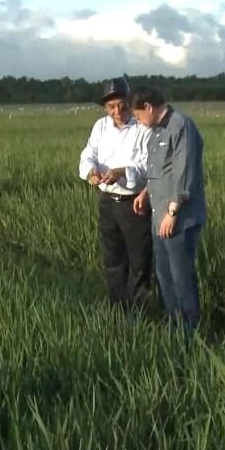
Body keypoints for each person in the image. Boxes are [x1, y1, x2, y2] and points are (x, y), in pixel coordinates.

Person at [128, 86, 207, 340]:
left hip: (179, 219)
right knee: (163, 275)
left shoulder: (180, 126)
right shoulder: (155, 133)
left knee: (180, 276)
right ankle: (172, 326)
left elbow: (185, 173)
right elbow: (159, 172)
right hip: (158, 218)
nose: (139, 122)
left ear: (149, 107)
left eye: (138, 116)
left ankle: (190, 334)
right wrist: (145, 194)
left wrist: (172, 212)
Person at [77, 75, 154, 316]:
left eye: (121, 105)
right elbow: (88, 154)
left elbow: (147, 168)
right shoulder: (100, 127)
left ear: (130, 103)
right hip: (108, 202)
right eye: (111, 107)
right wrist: (91, 172)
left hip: (134, 204)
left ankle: (139, 314)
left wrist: (121, 172)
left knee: (139, 262)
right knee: (113, 259)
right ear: (105, 108)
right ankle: (118, 311)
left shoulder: (143, 129)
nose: (117, 111)